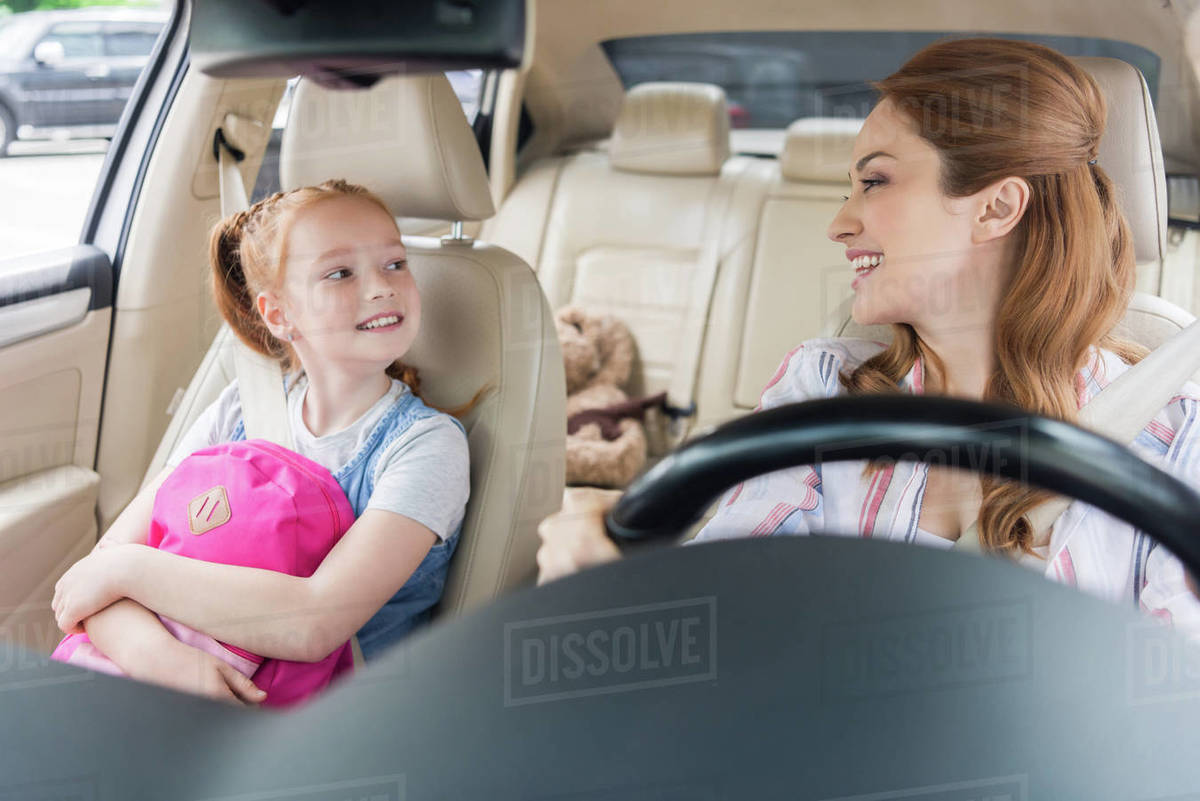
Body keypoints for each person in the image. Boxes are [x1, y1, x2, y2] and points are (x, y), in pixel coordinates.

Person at [536, 38, 1200, 636]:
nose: (839, 223)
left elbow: (1174, 711)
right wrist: (629, 589)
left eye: (873, 181)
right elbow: (737, 613)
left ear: (997, 207)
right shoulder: (820, 390)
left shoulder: (1173, 438)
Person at [50, 179, 476, 704]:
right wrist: (166, 662)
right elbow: (98, 570)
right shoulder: (240, 408)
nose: (380, 287)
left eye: (395, 263)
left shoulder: (424, 446)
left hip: (325, 724)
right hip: (163, 688)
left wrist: (128, 573)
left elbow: (316, 622)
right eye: (340, 272)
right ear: (279, 314)